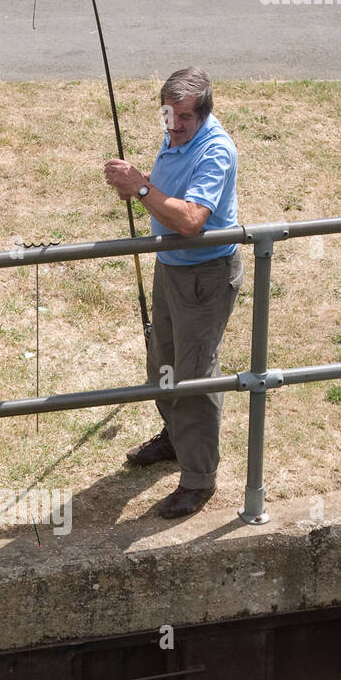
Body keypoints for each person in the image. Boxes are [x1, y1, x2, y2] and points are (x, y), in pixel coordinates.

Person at [104, 67, 243, 518]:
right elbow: (167, 197)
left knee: (195, 376)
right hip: (171, 268)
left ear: (204, 113)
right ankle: (174, 436)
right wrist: (142, 186)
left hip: (205, 275)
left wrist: (141, 187)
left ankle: (198, 480)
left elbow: (190, 221)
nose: (173, 125)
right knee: (161, 364)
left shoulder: (216, 152)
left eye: (183, 117)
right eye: (167, 115)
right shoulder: (176, 133)